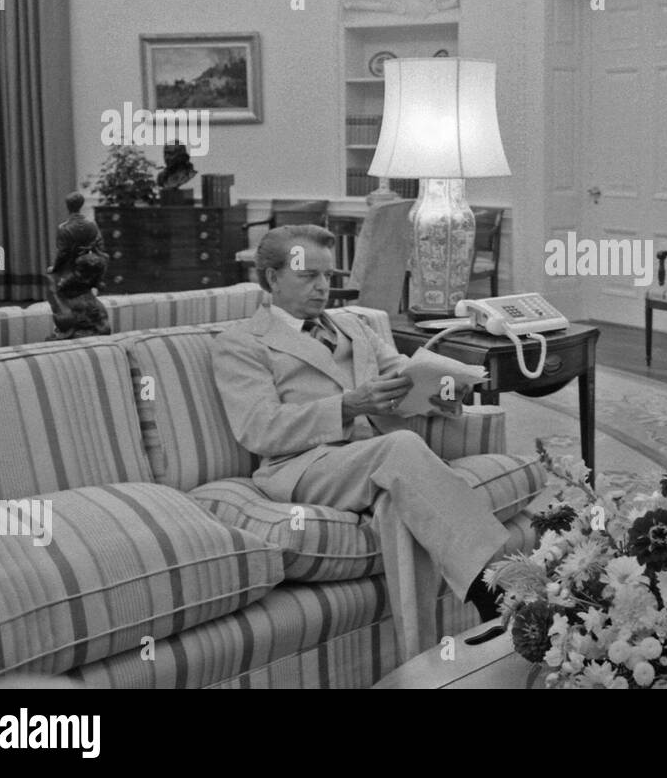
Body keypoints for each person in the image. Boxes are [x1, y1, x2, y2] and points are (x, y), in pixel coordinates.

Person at [211, 224, 508, 659]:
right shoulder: (241, 343)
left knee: (398, 509)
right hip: (302, 466)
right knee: (401, 447)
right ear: (272, 278)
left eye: (327, 276)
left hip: (372, 464)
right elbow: (261, 429)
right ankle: (495, 588)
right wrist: (347, 406)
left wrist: (447, 385)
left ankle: (420, 663)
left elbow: (403, 373)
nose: (322, 287)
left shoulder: (354, 326)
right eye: (307, 275)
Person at [46, 192, 110, 339]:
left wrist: (54, 269)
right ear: (81, 205)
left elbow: (62, 254)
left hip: (70, 267)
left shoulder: (64, 228)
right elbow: (100, 247)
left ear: (68, 206)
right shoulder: (92, 225)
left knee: (52, 283)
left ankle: (67, 323)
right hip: (89, 267)